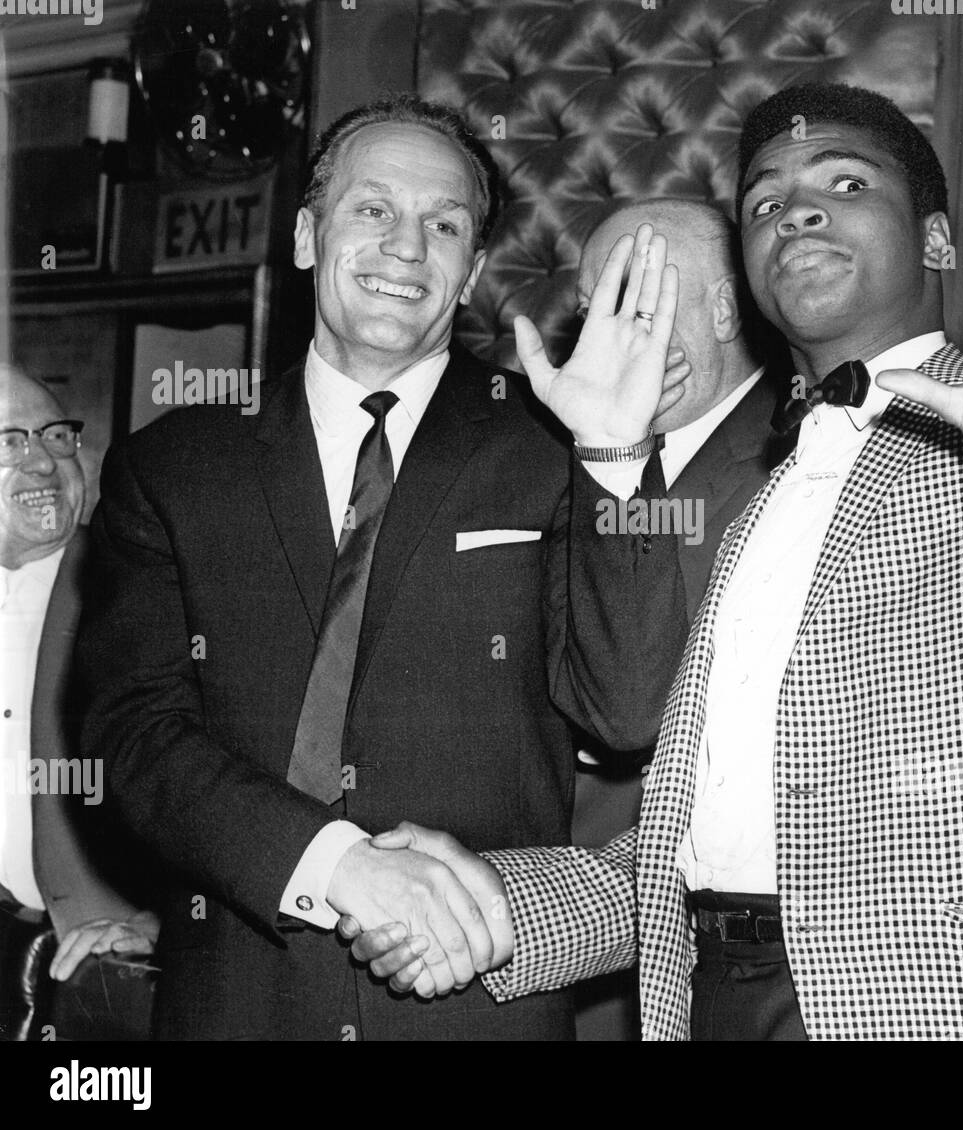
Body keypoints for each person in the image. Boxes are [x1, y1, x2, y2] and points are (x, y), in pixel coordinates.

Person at [348, 83, 963, 1041]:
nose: (798, 210)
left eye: (846, 181)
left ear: (937, 241)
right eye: (765, 204)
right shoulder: (765, 503)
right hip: (712, 1005)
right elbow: (707, 857)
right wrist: (491, 903)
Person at [76, 94, 689, 1040]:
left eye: (444, 225)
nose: (408, 246)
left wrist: (613, 455)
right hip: (243, 1001)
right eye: (373, 210)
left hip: (478, 1008)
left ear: (474, 269)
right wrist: (339, 865)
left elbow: (628, 710)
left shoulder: (549, 446)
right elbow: (134, 738)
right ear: (307, 235)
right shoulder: (173, 466)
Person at [570, 198, 791, 1040]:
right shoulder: (572, 454)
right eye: (594, 316)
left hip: (675, 944)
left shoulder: (795, 458)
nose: (611, 343)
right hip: (539, 919)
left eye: (637, 305)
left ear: (725, 309)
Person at [0, 366, 157, 1038]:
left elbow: (225, 782)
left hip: (83, 970)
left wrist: (157, 921)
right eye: (8, 442)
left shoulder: (144, 591)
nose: (41, 462)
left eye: (55, 436)